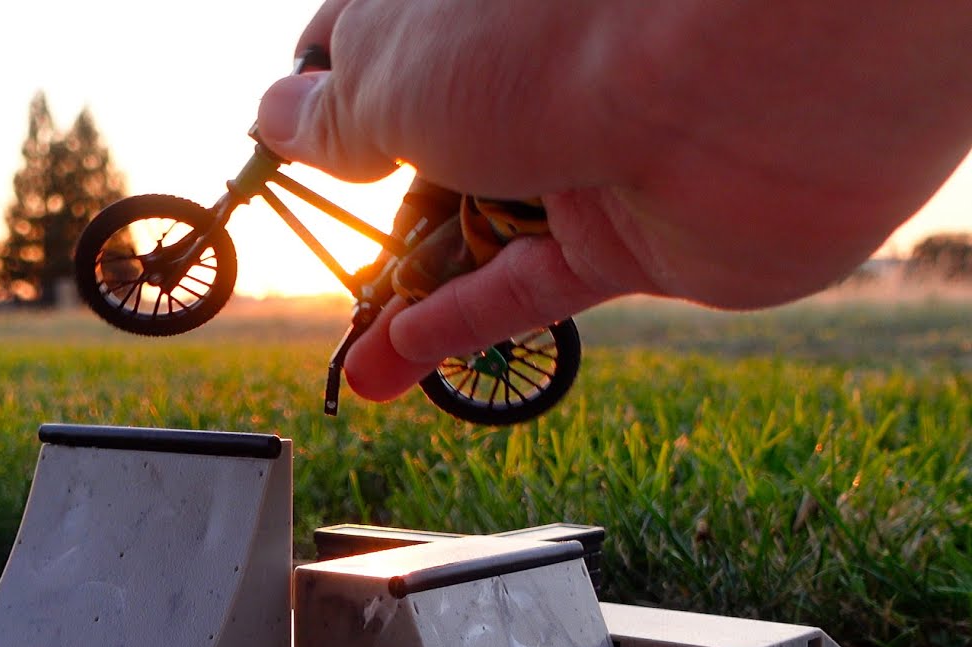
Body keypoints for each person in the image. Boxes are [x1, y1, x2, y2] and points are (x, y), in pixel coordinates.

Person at [254, 1, 972, 403]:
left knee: (417, 272)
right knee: (414, 240)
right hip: (538, 177)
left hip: (521, 188)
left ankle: (392, 293)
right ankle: (386, 295)